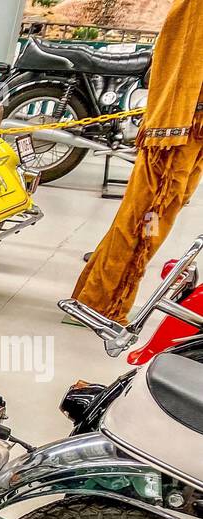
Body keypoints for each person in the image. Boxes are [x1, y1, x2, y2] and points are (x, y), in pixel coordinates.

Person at [71, 0, 203, 324]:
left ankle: (93, 298)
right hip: (176, 137)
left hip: (186, 135)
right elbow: (187, 66)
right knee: (147, 224)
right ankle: (102, 305)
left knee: (145, 221)